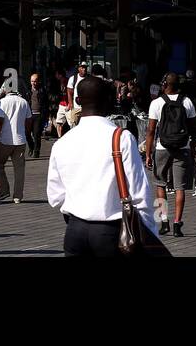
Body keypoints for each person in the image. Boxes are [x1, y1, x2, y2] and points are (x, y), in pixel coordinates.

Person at [47, 75, 159, 256]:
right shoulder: (121, 138)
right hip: (111, 231)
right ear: (109, 100)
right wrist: (150, 235)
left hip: (75, 232)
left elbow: (55, 196)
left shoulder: (62, 142)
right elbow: (140, 194)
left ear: (77, 101)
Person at [145, 71, 196, 237]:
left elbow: (151, 130)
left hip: (162, 148)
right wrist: (193, 147)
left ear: (164, 85)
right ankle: (177, 224)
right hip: (183, 147)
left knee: (160, 184)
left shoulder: (157, 103)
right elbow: (194, 128)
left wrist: (148, 153)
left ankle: (164, 221)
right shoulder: (187, 101)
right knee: (180, 188)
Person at [0, 82, 33, 202]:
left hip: (4, 139)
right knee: (19, 169)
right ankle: (17, 196)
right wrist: (26, 132)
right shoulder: (24, 102)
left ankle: (4, 190)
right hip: (20, 140)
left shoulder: (3, 102)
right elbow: (29, 120)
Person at [26, 72, 49, 160]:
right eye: (32, 81)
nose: (33, 83)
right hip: (29, 115)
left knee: (36, 134)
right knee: (27, 133)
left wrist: (45, 115)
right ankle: (31, 146)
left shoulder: (42, 90)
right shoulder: (28, 91)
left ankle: (36, 151)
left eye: (35, 81)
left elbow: (46, 103)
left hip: (39, 115)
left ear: (38, 81)